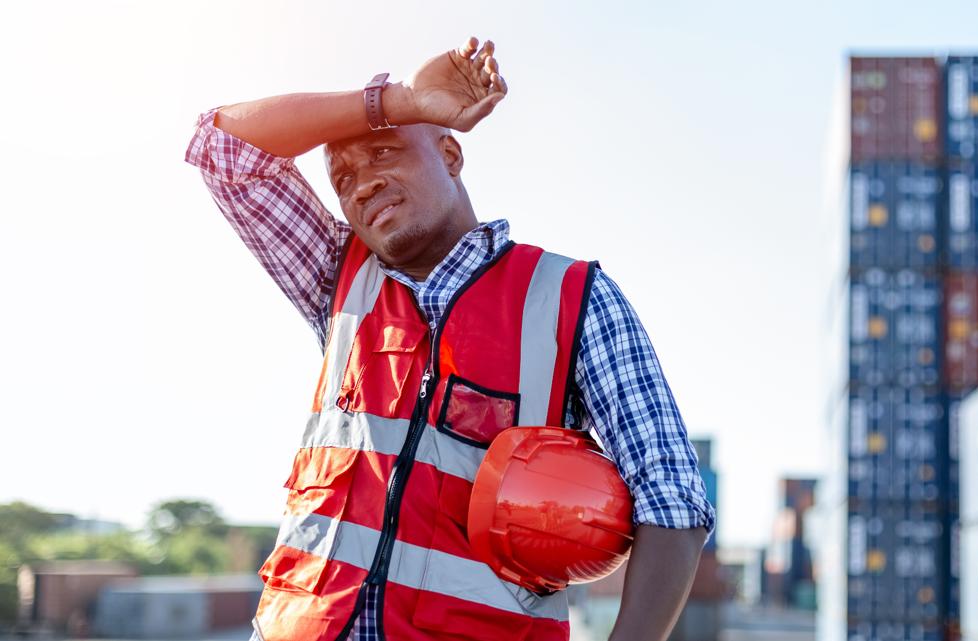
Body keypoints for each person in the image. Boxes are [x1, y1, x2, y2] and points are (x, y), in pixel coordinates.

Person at [185, 36, 714, 641]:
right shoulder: (337, 278)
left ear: (451, 155)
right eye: (343, 177)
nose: (360, 184)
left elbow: (671, 497)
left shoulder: (571, 299)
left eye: (383, 152)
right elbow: (221, 148)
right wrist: (397, 101)